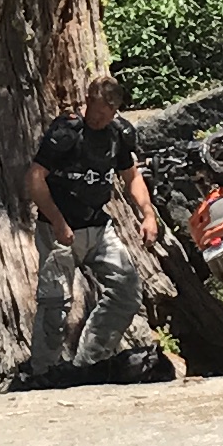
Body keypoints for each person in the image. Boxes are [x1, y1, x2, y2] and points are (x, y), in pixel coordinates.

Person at [28, 73, 157, 375]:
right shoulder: (66, 132)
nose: (98, 118)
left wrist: (148, 214)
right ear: (87, 101)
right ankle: (43, 371)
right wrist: (57, 221)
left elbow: (132, 177)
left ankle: (89, 362)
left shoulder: (119, 135)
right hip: (58, 229)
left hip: (98, 227)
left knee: (126, 292)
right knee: (55, 303)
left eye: (106, 113)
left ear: (116, 110)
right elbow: (35, 177)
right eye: (95, 110)